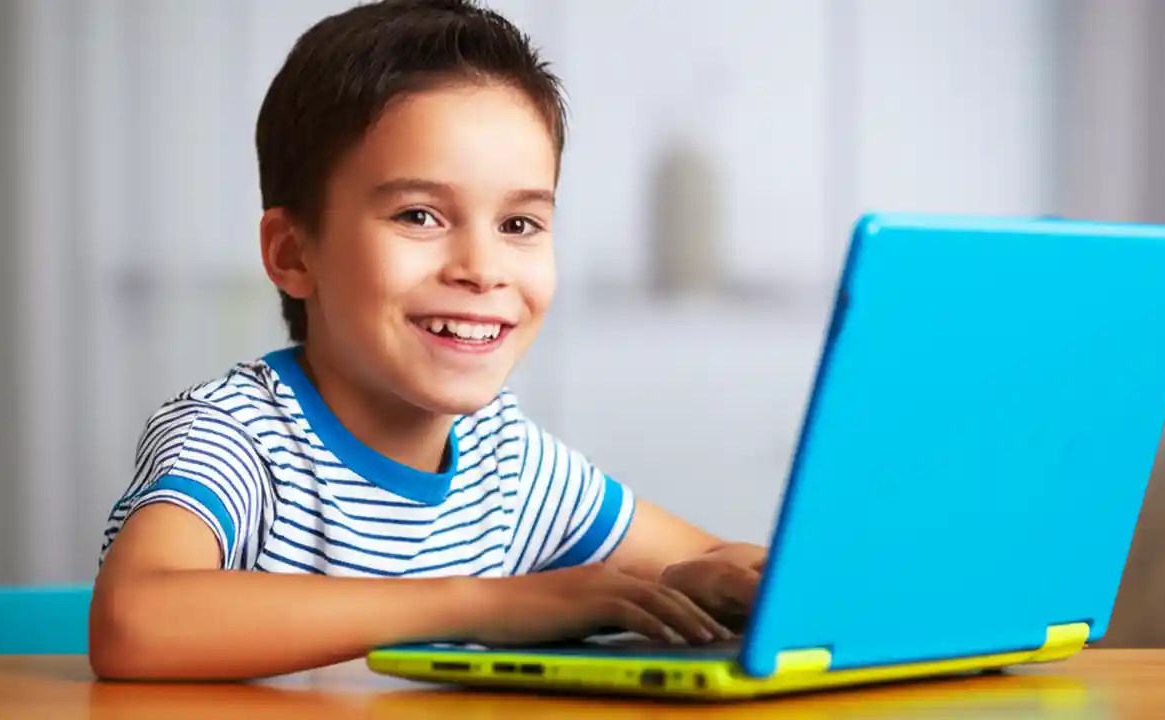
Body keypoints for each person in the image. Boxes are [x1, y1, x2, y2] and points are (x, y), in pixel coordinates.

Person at [89, 0, 766, 681]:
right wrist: (480, 605)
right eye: (420, 215)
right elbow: (133, 621)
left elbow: (718, 560)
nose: (481, 268)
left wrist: (707, 580)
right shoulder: (238, 437)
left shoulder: (510, 466)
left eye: (520, 224)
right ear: (293, 254)